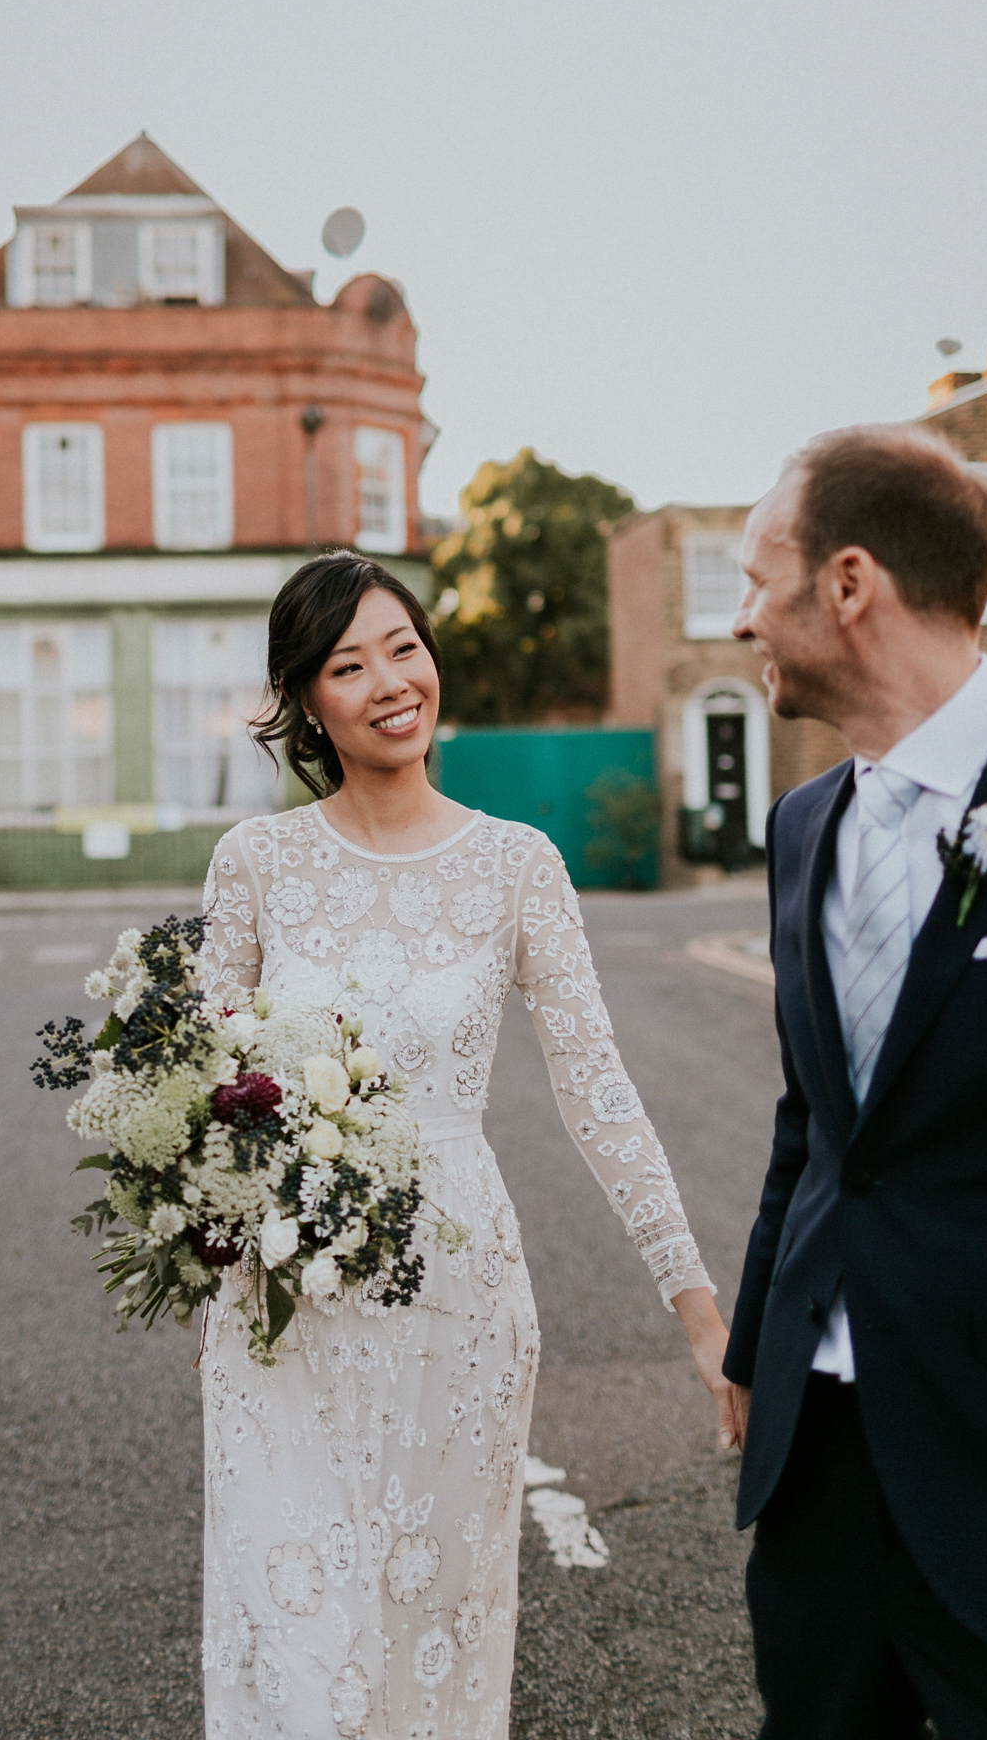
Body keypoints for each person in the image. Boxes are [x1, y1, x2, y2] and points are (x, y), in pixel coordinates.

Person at [195, 549, 732, 1737]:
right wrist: (209, 1236)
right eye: (349, 664)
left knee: (431, 1625)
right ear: (306, 700)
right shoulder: (258, 864)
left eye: (405, 649)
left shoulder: (516, 865)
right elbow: (199, 1095)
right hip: (284, 1304)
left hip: (458, 1292)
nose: (391, 682)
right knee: (295, 1628)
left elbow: (599, 1092)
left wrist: (698, 1310)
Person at [726, 424, 987, 1739]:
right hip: (823, 1464)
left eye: (759, 578)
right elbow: (817, 1120)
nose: (743, 619)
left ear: (848, 585)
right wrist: (754, 1352)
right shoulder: (802, 827)